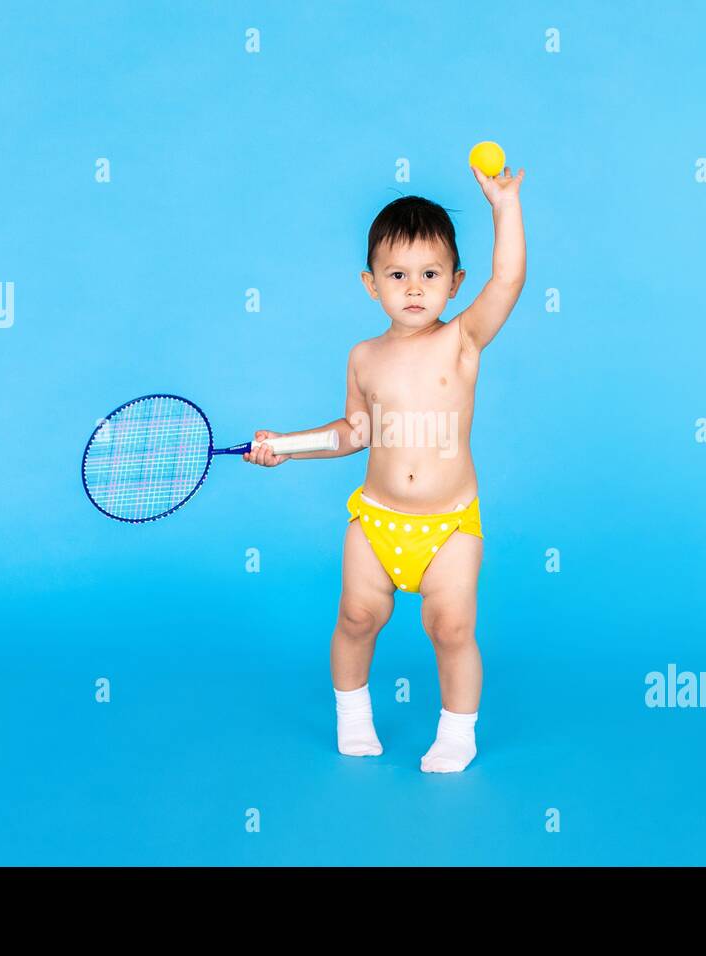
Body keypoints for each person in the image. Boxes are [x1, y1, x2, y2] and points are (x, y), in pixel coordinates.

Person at [244, 164, 526, 772]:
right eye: (398, 275)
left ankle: (458, 732)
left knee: (451, 628)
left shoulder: (463, 341)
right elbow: (354, 433)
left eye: (431, 274)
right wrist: (287, 445)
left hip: (449, 526)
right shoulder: (364, 357)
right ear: (372, 285)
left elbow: (508, 279)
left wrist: (504, 205)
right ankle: (353, 716)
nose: (415, 288)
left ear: (456, 282)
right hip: (376, 521)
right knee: (356, 618)